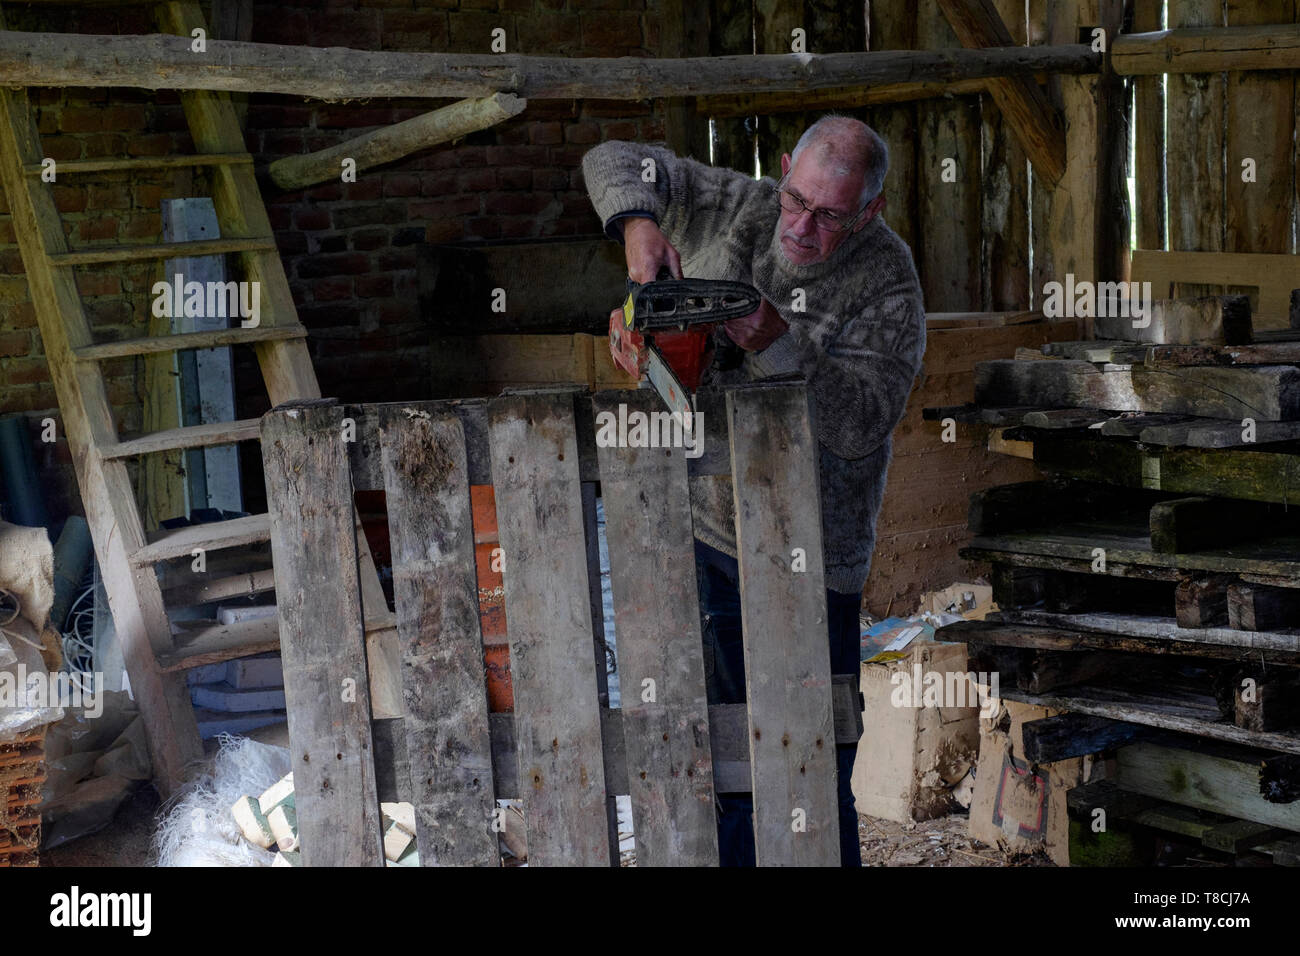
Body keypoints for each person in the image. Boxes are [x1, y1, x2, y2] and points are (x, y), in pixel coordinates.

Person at [582, 115, 926, 866]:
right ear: (782, 170)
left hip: (812, 558)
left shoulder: (889, 285)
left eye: (830, 214)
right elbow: (612, 158)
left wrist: (776, 343)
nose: (801, 227)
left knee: (811, 762)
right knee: (717, 764)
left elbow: (860, 424)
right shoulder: (736, 203)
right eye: (797, 200)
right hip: (704, 530)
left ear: (869, 210)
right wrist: (639, 227)